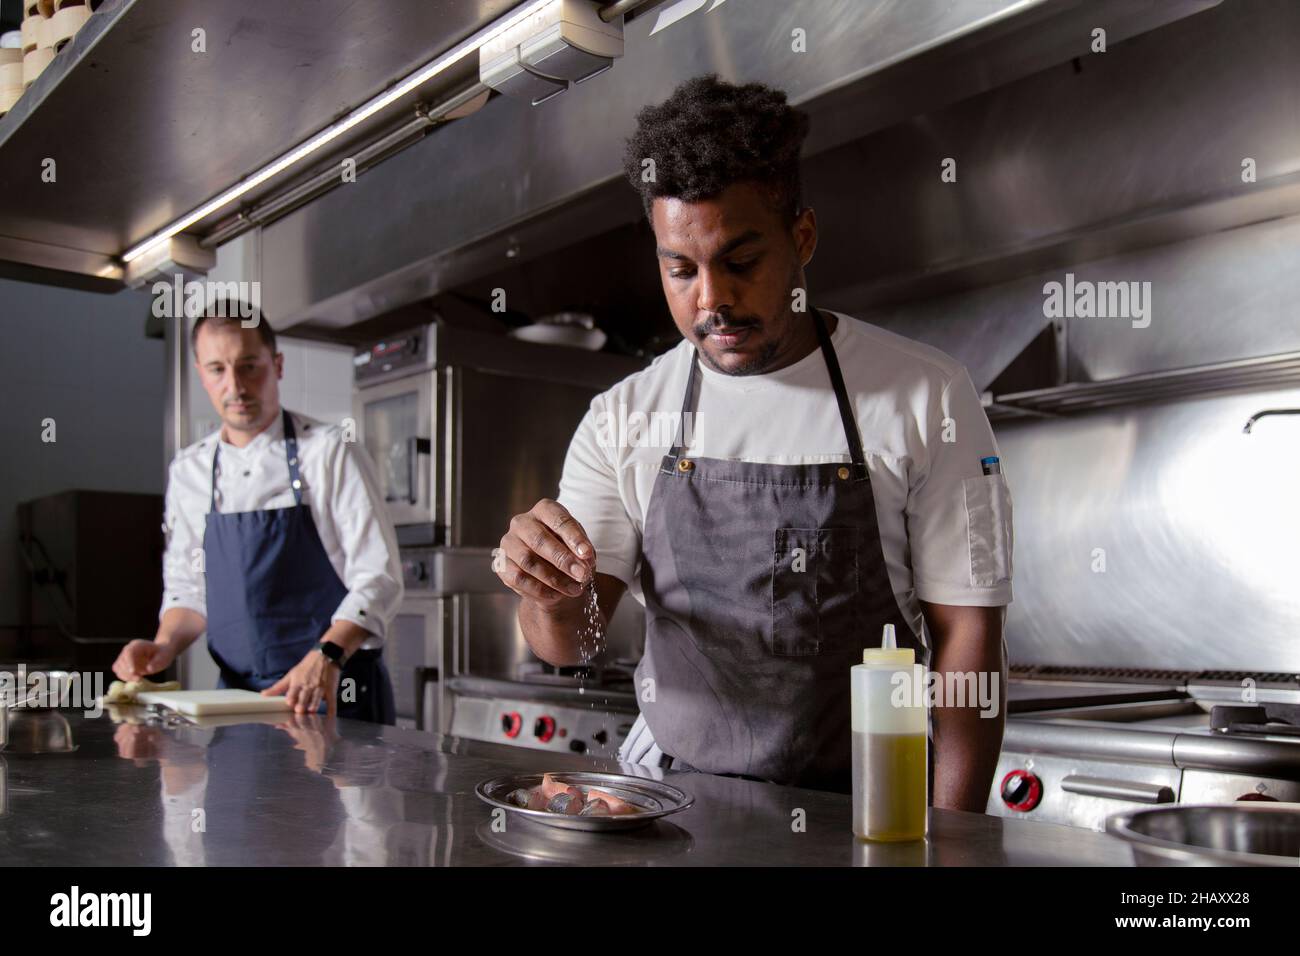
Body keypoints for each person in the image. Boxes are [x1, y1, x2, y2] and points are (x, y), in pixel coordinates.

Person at [494, 75, 1013, 808]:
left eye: (740, 262)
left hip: (868, 806)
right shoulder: (624, 416)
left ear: (800, 237)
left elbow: (967, 639)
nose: (712, 300)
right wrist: (553, 596)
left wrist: (953, 841)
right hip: (671, 804)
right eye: (680, 270)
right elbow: (574, 642)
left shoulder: (926, 395)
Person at [113, 303, 402, 723]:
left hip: (334, 690)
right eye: (217, 370)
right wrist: (162, 647)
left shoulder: (328, 451)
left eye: (249, 366)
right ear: (201, 375)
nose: (235, 386)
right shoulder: (189, 471)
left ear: (277, 365)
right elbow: (189, 590)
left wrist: (327, 654)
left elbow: (380, 576)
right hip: (236, 702)